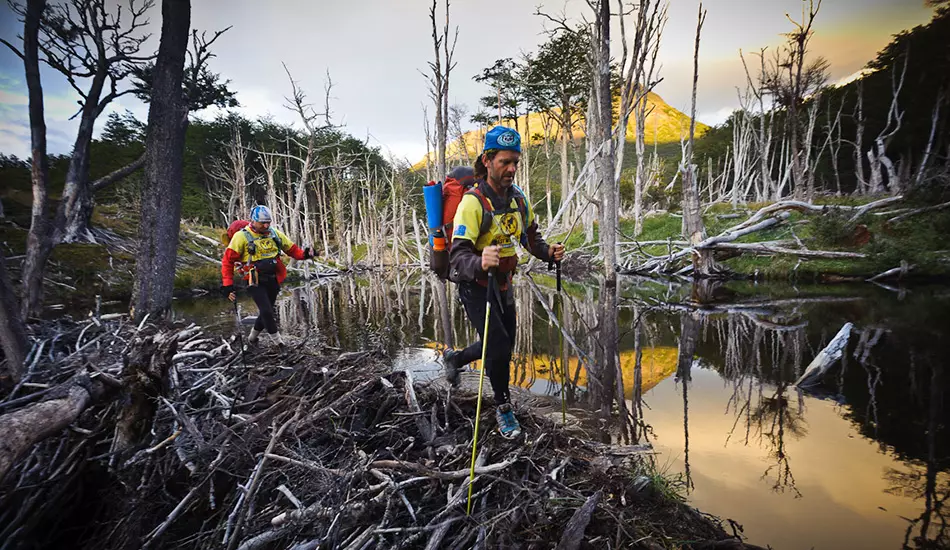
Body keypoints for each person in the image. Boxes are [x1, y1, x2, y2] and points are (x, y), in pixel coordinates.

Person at [443, 126, 566, 439]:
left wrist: (548, 252)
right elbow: (458, 257)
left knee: (503, 344)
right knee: (497, 344)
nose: (511, 168)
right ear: (487, 160)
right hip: (475, 286)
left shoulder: (518, 200)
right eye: (504, 162)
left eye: (515, 162)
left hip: (503, 283)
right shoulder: (471, 204)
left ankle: (455, 358)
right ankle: (503, 408)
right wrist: (480, 261)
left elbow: (529, 238)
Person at [220, 205, 317, 352]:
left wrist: (306, 254)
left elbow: (291, 250)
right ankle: (280, 344)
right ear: (253, 221)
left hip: (273, 279)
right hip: (254, 280)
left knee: (267, 311)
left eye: (268, 222)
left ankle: (252, 339)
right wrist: (228, 285)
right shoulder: (241, 237)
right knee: (266, 311)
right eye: (262, 223)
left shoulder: (274, 234)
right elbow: (228, 261)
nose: (266, 225)